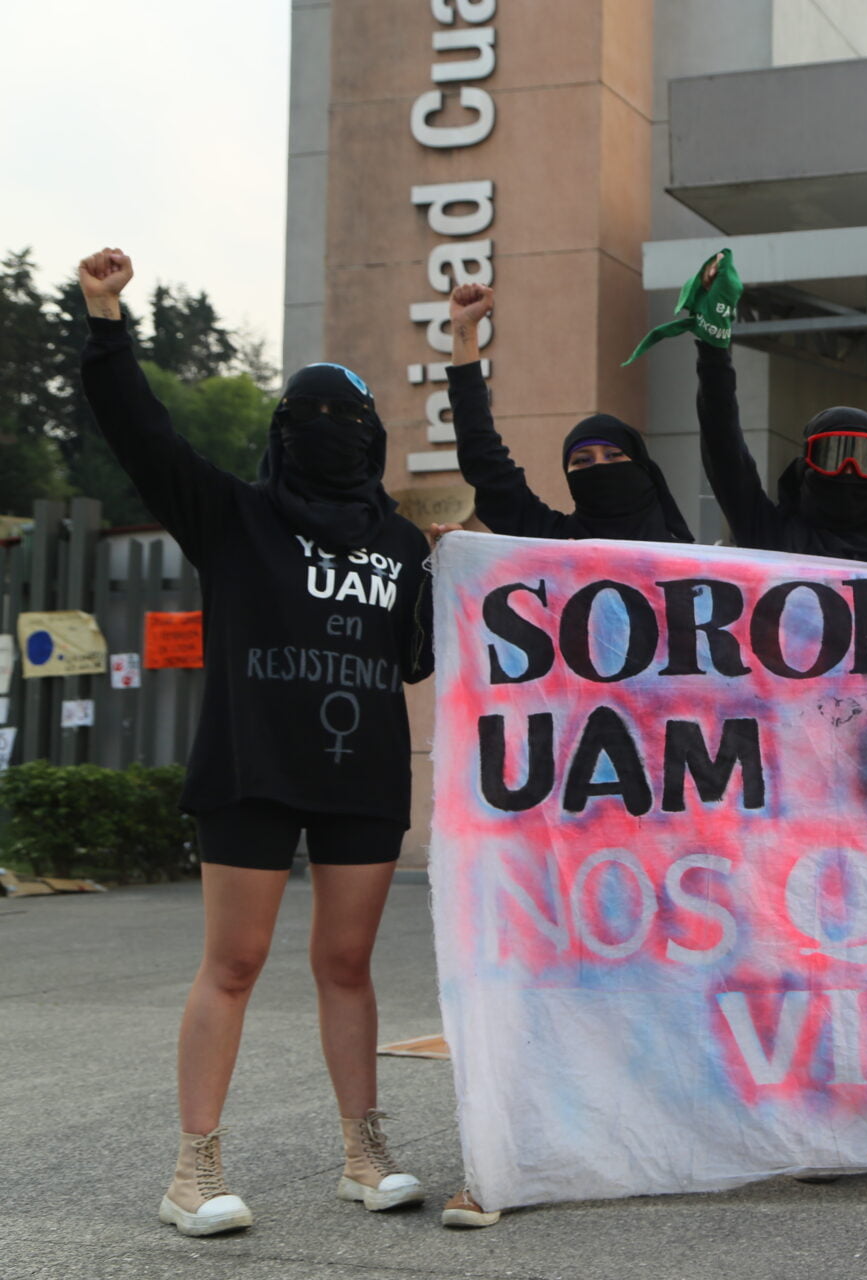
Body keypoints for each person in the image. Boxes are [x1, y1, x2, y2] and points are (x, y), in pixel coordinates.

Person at [78, 248, 435, 1237]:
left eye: (351, 424)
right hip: (253, 767)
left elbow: (415, 659)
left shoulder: (402, 541)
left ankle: (364, 1149)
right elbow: (142, 434)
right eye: (314, 420)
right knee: (233, 961)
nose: (334, 435)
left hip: (362, 774)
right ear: (284, 435)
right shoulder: (233, 514)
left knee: (350, 961)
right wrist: (107, 324)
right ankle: (193, 1166)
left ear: (372, 441)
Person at [692, 262, 867, 567]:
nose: (848, 469)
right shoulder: (770, 535)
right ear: (807, 464)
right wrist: (714, 351)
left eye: (864, 458)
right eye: (833, 455)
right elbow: (724, 450)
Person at [434, 283, 694, 547]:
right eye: (582, 461)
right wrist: (464, 330)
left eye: (614, 455)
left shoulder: (687, 563)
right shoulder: (554, 543)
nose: (600, 467)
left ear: (641, 466)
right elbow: (485, 463)